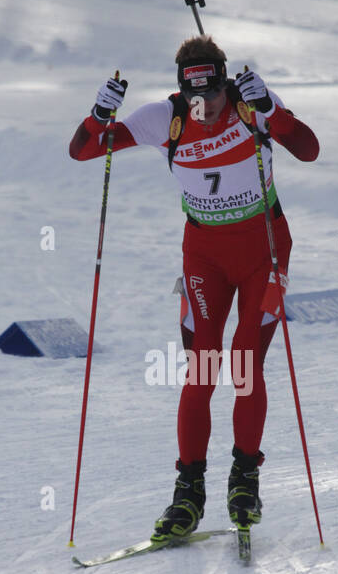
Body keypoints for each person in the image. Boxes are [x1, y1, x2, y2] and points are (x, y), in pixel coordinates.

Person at [68, 35, 319, 542]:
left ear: (226, 83)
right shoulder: (165, 118)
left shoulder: (251, 104)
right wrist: (99, 113)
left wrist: (272, 108)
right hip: (203, 256)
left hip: (264, 252)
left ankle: (244, 479)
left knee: (245, 361)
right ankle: (189, 492)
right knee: (203, 365)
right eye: (195, 99)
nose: (206, 112)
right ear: (183, 90)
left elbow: (309, 150)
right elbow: (84, 150)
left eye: (215, 97)